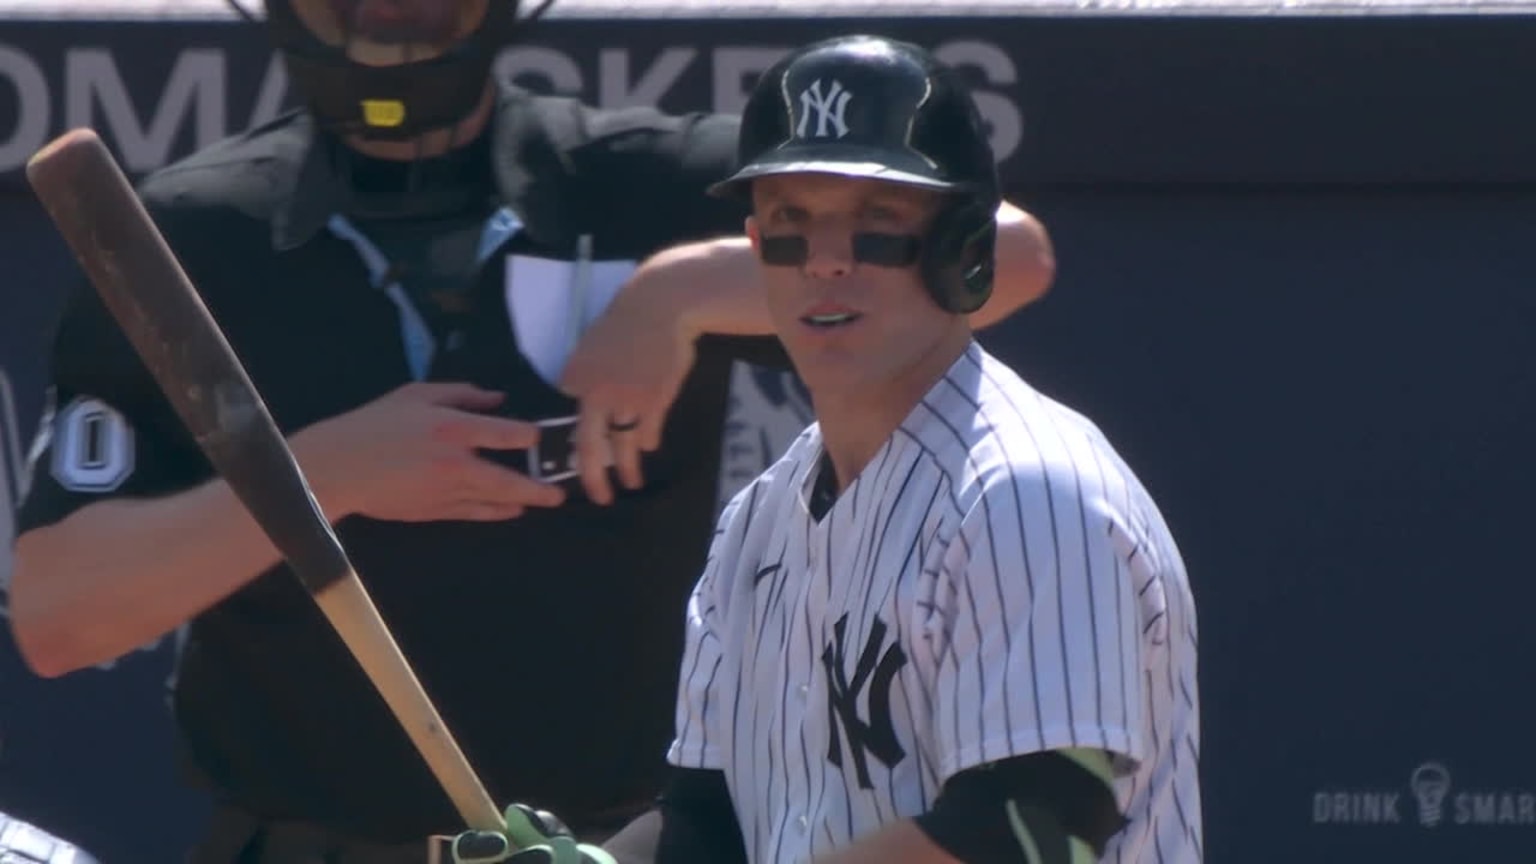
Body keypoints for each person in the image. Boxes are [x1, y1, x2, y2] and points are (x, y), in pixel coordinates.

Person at [6, 2, 1056, 861]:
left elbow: (1007, 256)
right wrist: (331, 471)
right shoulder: (195, 235)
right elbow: (58, 618)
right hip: (306, 847)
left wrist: (678, 294)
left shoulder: (636, 185)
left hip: (616, 845)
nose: (392, 20)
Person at [445, 34, 1201, 864]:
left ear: (967, 254)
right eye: (791, 226)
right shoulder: (760, 521)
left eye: (877, 224)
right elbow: (710, 817)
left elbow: (1033, 828)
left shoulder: (1029, 492)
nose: (827, 263)